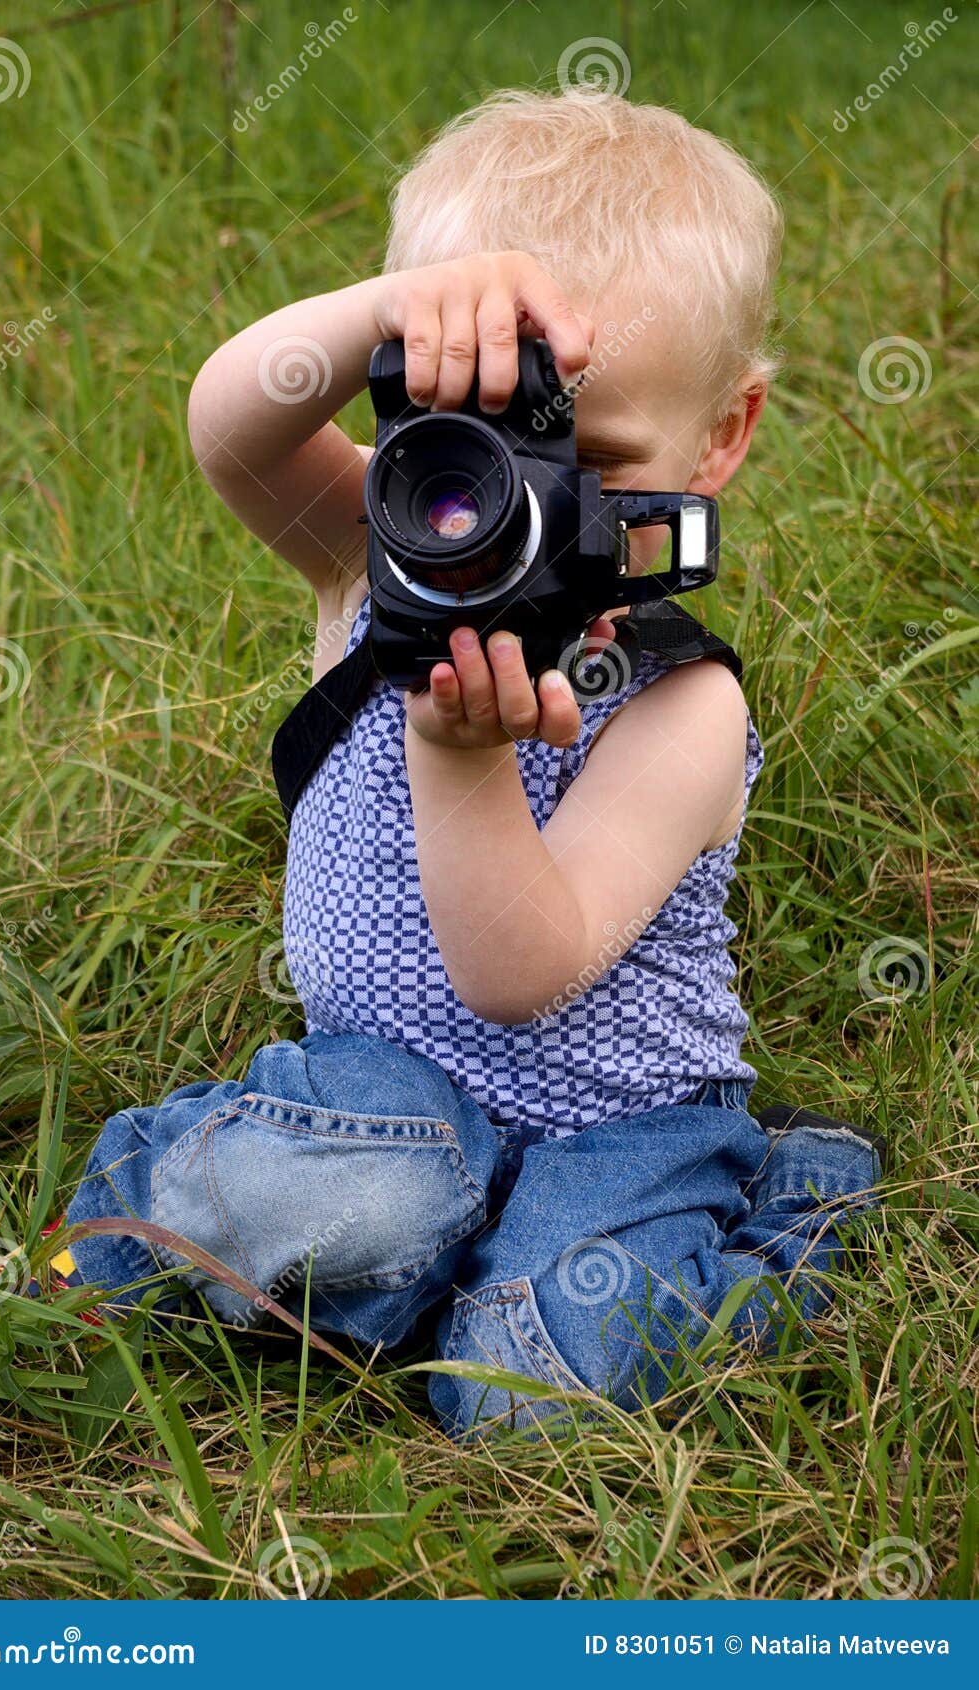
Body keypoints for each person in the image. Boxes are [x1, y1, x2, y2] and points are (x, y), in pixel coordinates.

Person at [56, 89, 880, 1435]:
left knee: (529, 1390)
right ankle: (250, 1205)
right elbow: (231, 422)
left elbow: (520, 970)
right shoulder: (361, 564)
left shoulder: (681, 707)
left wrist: (459, 758)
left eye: (591, 464)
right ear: (402, 405)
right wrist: (387, 307)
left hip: (622, 1130)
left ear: (721, 436)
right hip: (381, 1109)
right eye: (469, 453)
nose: (510, 515)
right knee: (369, 1197)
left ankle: (777, 1207)